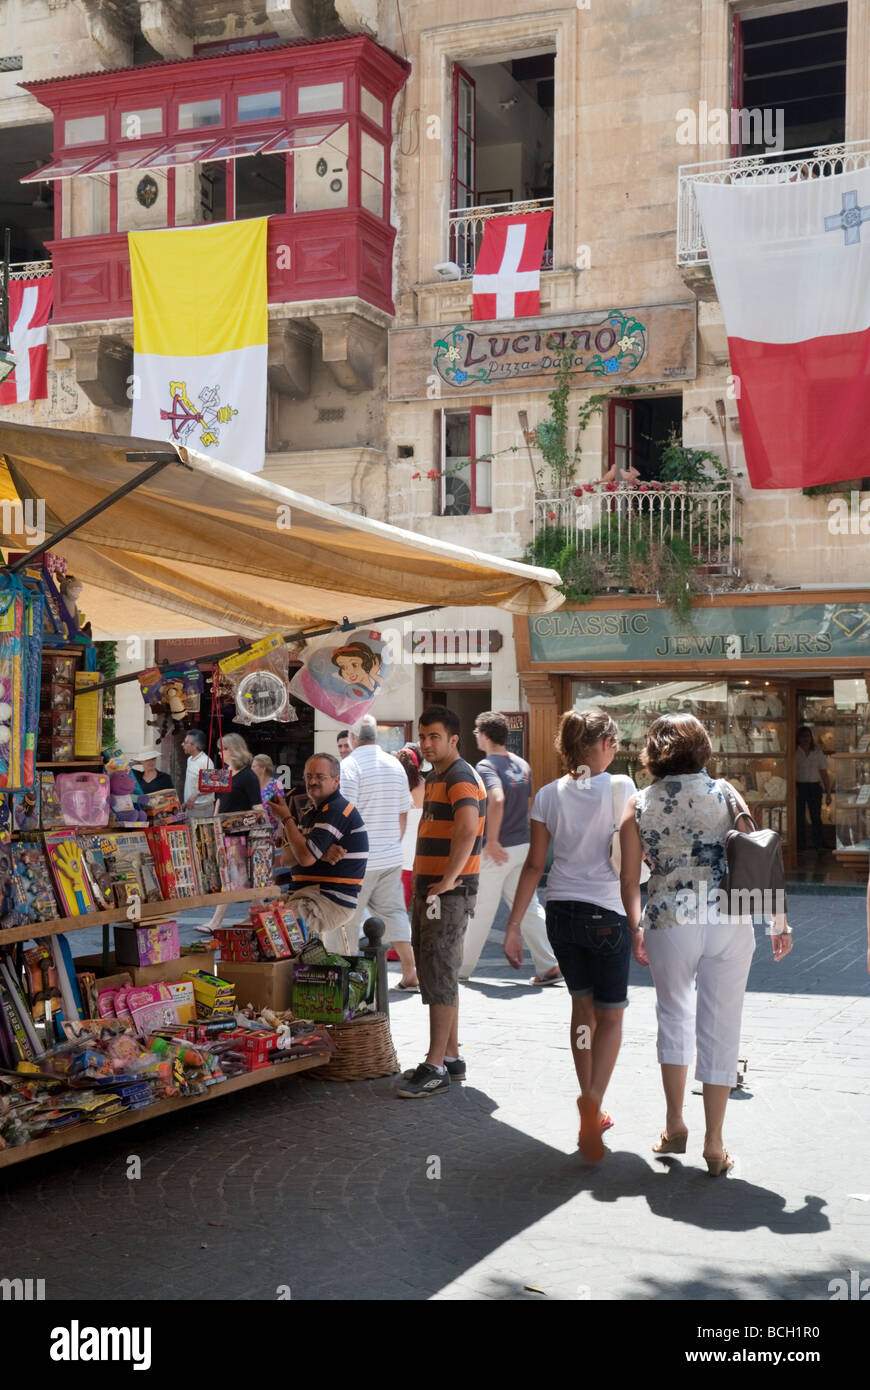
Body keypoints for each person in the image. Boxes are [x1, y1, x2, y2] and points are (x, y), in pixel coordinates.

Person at [619, 713, 793, 1176]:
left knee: (673, 1016)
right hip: (727, 916)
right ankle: (714, 1145)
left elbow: (628, 878)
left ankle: (675, 1123)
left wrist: (637, 925)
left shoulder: (637, 803)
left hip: (669, 919)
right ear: (702, 748)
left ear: (654, 753)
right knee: (722, 1025)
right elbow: (759, 852)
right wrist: (779, 920)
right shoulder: (726, 791)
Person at [505, 709, 633, 1160]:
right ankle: (594, 1100)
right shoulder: (621, 788)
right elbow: (632, 859)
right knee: (612, 1015)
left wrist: (515, 925)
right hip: (606, 912)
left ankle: (588, 1100)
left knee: (583, 1009)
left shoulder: (547, 795)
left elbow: (535, 865)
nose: (615, 751)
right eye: (614, 743)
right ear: (601, 745)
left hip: (560, 911)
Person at [396, 705, 486, 1099]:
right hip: (435, 888)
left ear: (454, 739)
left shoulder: (460, 775)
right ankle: (450, 1057)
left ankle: (435, 1066)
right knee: (437, 968)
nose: (426, 743)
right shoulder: (437, 776)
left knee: (439, 972)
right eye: (423, 736)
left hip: (447, 892)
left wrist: (448, 880)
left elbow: (467, 829)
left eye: (434, 736)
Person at [460, 711, 560, 985]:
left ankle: (460, 968)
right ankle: (548, 965)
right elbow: (527, 803)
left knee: (481, 909)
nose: (476, 737)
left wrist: (491, 840)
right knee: (527, 906)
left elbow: (497, 798)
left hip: (499, 849)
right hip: (522, 844)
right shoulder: (522, 765)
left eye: (477, 732)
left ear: (484, 734)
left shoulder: (485, 766)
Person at [340, 716, 419, 989]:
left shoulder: (349, 766)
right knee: (395, 913)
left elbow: (344, 815)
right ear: (376, 736)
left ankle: (348, 979)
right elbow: (403, 811)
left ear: (352, 737)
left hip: (358, 859)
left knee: (347, 920)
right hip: (389, 854)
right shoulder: (394, 764)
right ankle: (410, 971)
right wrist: (395, 842)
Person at [269, 753, 368, 955]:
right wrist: (315, 851)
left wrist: (287, 819)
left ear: (336, 780)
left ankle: (286, 983)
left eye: (320, 777)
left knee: (272, 933)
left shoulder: (337, 809)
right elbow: (289, 856)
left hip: (328, 899)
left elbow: (304, 857)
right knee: (256, 925)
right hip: (305, 894)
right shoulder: (311, 812)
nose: (312, 782)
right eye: (308, 776)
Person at [795, 725, 832, 854]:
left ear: (811, 738)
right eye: (802, 736)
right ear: (798, 738)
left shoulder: (817, 752)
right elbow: (790, 772)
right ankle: (800, 845)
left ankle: (819, 844)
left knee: (816, 816)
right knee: (799, 817)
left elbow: (824, 773)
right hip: (799, 787)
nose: (805, 739)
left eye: (807, 736)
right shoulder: (794, 752)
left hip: (814, 786)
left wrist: (828, 792)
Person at [396, 744, 425, 910]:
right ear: (419, 766)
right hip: (421, 857)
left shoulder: (392, 788)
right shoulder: (427, 787)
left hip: (397, 858)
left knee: (398, 911)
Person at [215, 733, 262, 814]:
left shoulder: (248, 776)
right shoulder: (224, 771)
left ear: (232, 750)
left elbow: (257, 806)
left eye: (221, 749)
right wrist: (215, 820)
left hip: (239, 824)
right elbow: (219, 800)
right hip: (222, 823)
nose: (219, 753)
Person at [182, 729, 215, 819]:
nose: (182, 745)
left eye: (185, 743)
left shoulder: (205, 761)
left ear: (195, 745)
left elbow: (211, 786)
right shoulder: (190, 759)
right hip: (190, 806)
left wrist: (196, 795)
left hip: (202, 809)